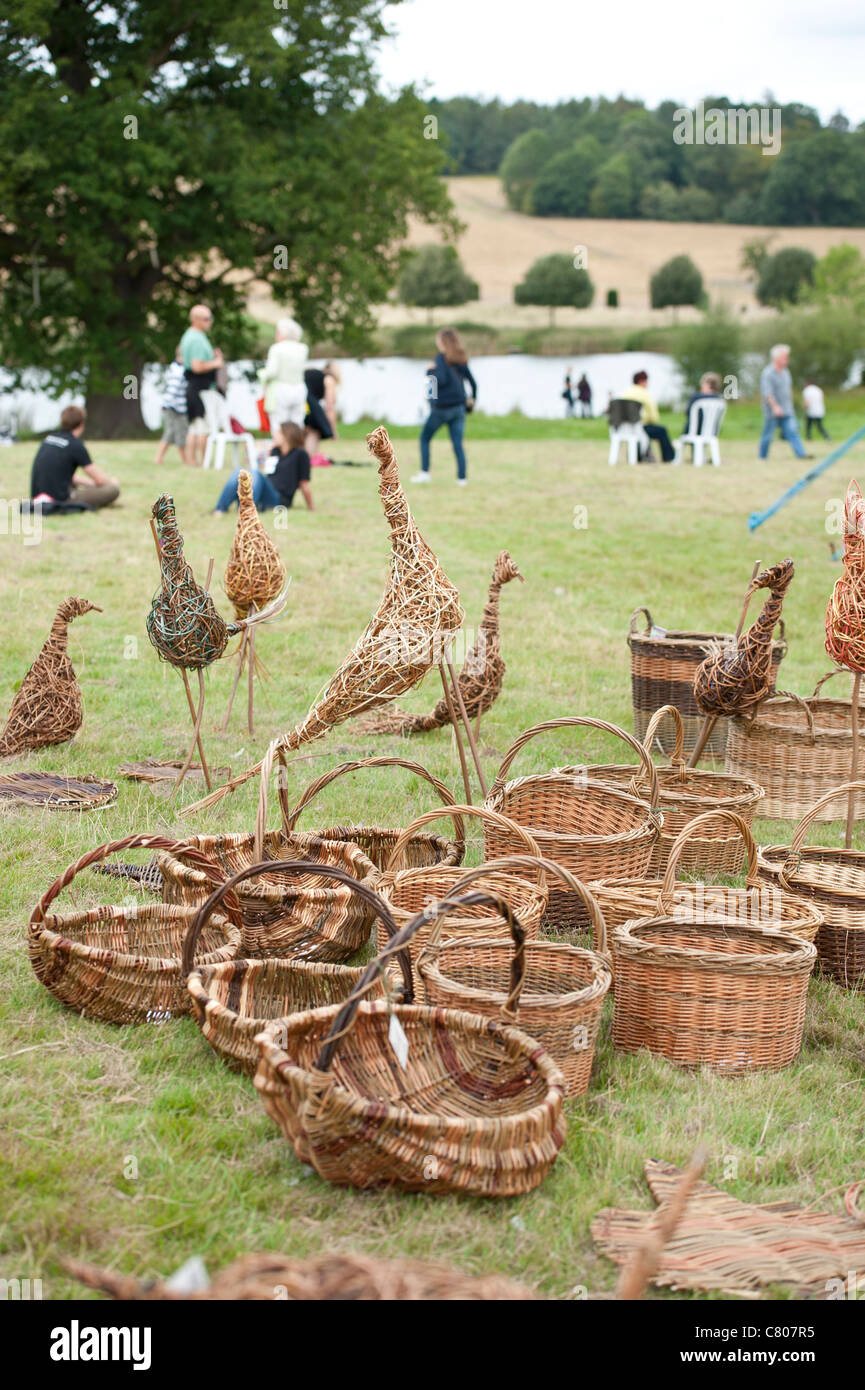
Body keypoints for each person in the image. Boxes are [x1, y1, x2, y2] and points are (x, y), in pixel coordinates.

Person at [412, 327, 477, 485]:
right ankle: (462, 479)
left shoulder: (441, 359)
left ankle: (425, 473)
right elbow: (474, 384)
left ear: (442, 342)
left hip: (441, 409)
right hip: (459, 408)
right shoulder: (461, 360)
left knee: (425, 438)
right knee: (457, 444)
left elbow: (438, 380)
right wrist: (472, 401)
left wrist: (429, 372)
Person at [29, 406, 119, 509]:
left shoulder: (48, 439)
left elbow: (68, 477)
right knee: (112, 489)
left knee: (78, 485)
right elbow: (100, 480)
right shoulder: (75, 444)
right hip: (60, 500)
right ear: (81, 424)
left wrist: (91, 484)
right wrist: (112, 482)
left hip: (37, 496)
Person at [213, 421, 313, 513]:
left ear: (287, 435)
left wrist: (311, 507)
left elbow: (304, 484)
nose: (274, 435)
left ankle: (247, 510)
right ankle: (220, 509)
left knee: (255, 473)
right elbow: (269, 472)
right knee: (239, 471)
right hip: (264, 491)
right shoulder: (276, 451)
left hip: (278, 499)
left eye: (278, 433)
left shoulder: (300, 454)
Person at [180, 304, 223, 466]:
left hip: (193, 387)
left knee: (194, 427)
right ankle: (204, 460)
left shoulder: (191, 336)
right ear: (195, 320)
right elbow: (197, 366)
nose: (209, 322)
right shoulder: (196, 339)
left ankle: (192, 460)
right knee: (203, 427)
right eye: (206, 319)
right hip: (200, 389)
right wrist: (216, 363)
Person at [759, 345, 811, 460]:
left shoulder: (786, 372)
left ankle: (801, 455)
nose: (787, 359)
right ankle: (762, 458)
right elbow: (767, 393)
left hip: (787, 410)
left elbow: (788, 391)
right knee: (768, 435)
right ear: (776, 358)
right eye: (785, 357)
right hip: (772, 411)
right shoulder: (768, 373)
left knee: (793, 431)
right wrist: (775, 407)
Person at [259, 318, 309, 430]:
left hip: (280, 390)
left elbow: (272, 372)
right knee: (297, 424)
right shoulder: (303, 349)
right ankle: (296, 446)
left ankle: (280, 446)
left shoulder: (276, 348)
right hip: (299, 389)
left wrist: (262, 375)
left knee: (278, 425)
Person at [621, 369, 675, 463]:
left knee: (643, 433)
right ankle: (668, 458)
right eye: (646, 381)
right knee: (661, 431)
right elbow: (653, 416)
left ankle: (639, 455)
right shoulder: (645, 394)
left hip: (624, 427)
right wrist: (653, 421)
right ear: (642, 382)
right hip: (640, 426)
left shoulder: (626, 393)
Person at [154, 350, 190, 465]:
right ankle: (160, 458)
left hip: (176, 406)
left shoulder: (174, 368)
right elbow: (172, 389)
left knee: (176, 432)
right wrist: (165, 404)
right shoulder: (178, 370)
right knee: (173, 432)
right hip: (175, 406)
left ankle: (183, 459)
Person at [304, 361, 341, 463]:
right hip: (308, 402)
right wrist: (333, 430)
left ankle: (304, 458)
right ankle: (310, 458)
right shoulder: (329, 379)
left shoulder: (314, 374)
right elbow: (330, 406)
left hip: (298, 399)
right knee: (314, 431)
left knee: (304, 430)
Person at [681, 372, 722, 437]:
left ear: (707, 384)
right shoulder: (719, 400)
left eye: (702, 383)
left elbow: (688, 412)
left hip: (694, 430)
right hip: (712, 432)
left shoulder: (697, 397)